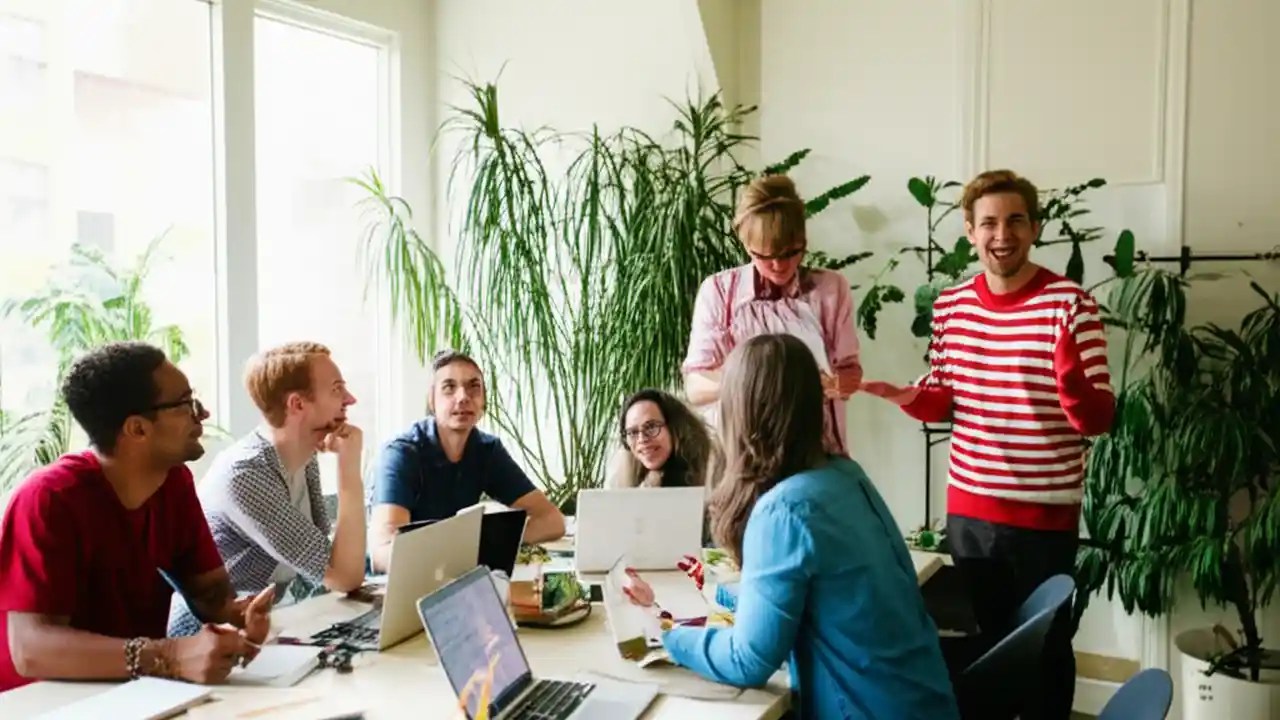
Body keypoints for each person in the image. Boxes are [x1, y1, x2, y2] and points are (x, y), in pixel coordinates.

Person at [862, 169, 1115, 720]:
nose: (1003, 234)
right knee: (994, 651)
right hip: (971, 514)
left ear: (1035, 227)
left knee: (1047, 649)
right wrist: (904, 395)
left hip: (1044, 517)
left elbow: (1097, 418)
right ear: (970, 232)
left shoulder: (1069, 305)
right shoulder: (951, 307)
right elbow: (944, 398)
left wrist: (1069, 383)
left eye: (1015, 221)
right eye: (990, 223)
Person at [627, 334, 959, 720]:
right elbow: (800, 599)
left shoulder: (783, 511)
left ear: (742, 411)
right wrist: (711, 598)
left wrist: (665, 632)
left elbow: (747, 661)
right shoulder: (846, 475)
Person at [0, 342, 272, 693]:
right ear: (137, 429)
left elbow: (211, 597)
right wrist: (169, 657)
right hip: (43, 701)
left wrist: (241, 615)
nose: (202, 413)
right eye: (185, 403)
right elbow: (31, 650)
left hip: (137, 694)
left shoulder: (174, 482)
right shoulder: (49, 499)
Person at [168, 342, 366, 636]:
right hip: (209, 635)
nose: (350, 399)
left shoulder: (303, 456)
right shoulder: (245, 475)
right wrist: (349, 469)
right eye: (337, 389)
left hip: (265, 625)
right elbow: (343, 575)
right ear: (297, 404)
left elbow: (328, 559)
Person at [683, 174, 863, 457]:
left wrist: (837, 382)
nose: (779, 265)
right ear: (745, 245)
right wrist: (761, 381)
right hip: (741, 454)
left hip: (817, 452)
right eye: (765, 256)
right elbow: (696, 388)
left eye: (792, 253)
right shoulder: (719, 292)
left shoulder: (829, 290)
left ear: (804, 241)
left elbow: (851, 375)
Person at [367, 349, 565, 572]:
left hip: (449, 574)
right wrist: (460, 548)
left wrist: (478, 544)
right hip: (383, 585)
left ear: (483, 400)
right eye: (449, 388)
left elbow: (552, 521)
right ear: (432, 400)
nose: (463, 397)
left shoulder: (486, 450)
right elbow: (383, 553)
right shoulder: (401, 453)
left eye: (474, 387)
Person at [604, 388, 723, 490]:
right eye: (633, 432)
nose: (642, 439)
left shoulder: (713, 467)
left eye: (651, 427)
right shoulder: (619, 478)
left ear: (675, 428)